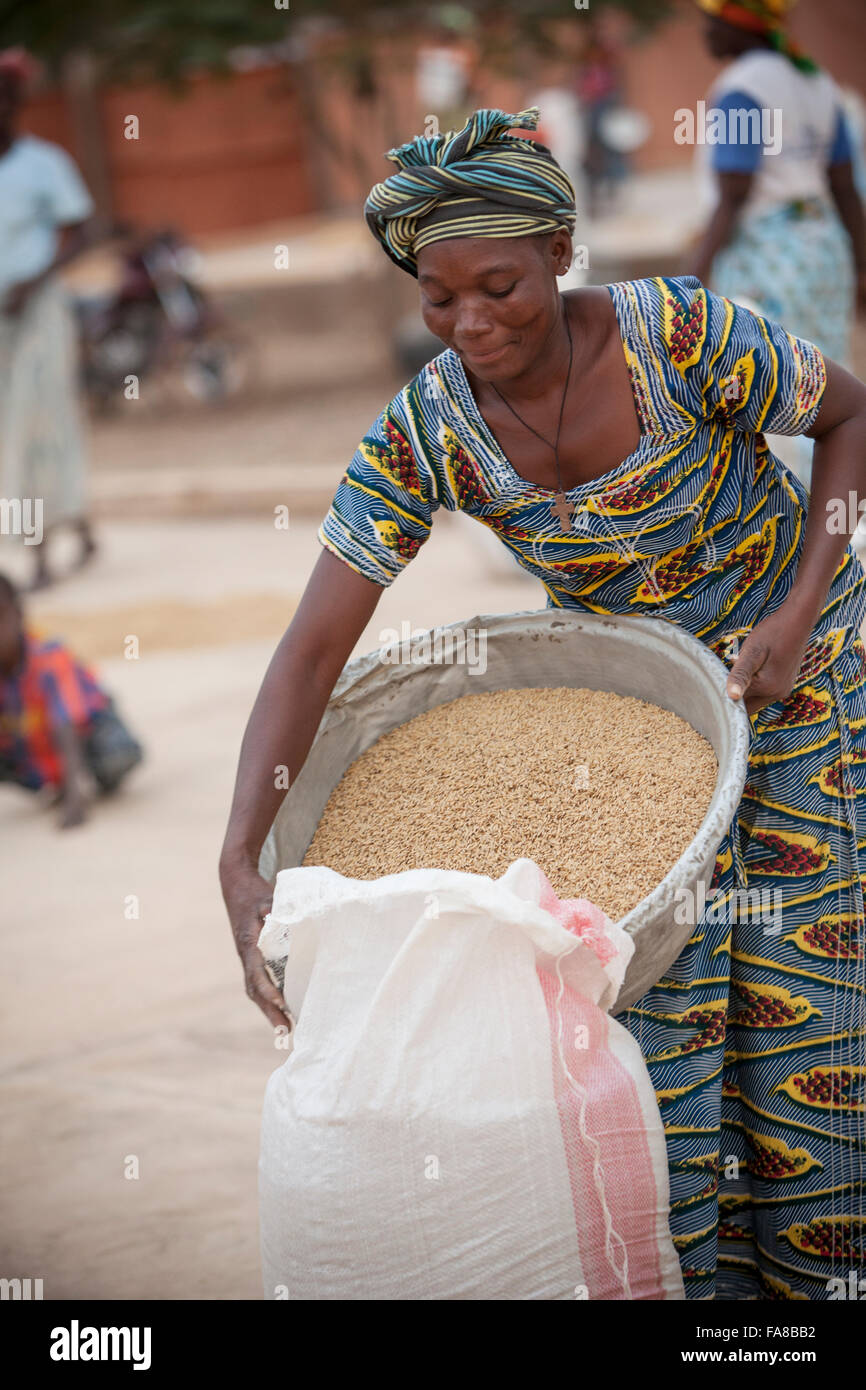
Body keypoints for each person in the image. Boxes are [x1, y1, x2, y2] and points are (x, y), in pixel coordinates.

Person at [220, 107, 866, 1300]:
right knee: (653, 1039)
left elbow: (848, 411)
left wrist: (795, 607)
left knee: (799, 1029)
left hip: (805, 681)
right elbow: (315, 647)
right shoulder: (432, 427)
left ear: (561, 249)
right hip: (646, 735)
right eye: (438, 300)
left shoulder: (676, 334)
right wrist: (237, 851)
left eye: (499, 286)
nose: (470, 324)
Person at [691, 0, 866, 490]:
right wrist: (861, 266)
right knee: (831, 378)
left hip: (769, 256)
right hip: (823, 247)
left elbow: (734, 192)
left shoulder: (744, 87)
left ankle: (813, 521)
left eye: (708, 21)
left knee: (786, 389)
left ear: (735, 21)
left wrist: (690, 278)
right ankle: (847, 507)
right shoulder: (816, 82)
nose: (703, 32)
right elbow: (845, 185)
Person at [0, 49, 97, 589]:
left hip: (38, 315)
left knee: (38, 429)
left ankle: (37, 556)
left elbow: (82, 229)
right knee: (9, 435)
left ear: (14, 103)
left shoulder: (44, 164)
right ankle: (79, 526)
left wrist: (32, 282)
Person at [0, 572, 142, 827]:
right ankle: (53, 778)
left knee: (116, 756)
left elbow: (66, 724)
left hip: (83, 735)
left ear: (19, 615)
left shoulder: (48, 656)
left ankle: (74, 780)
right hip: (29, 743)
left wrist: (75, 799)